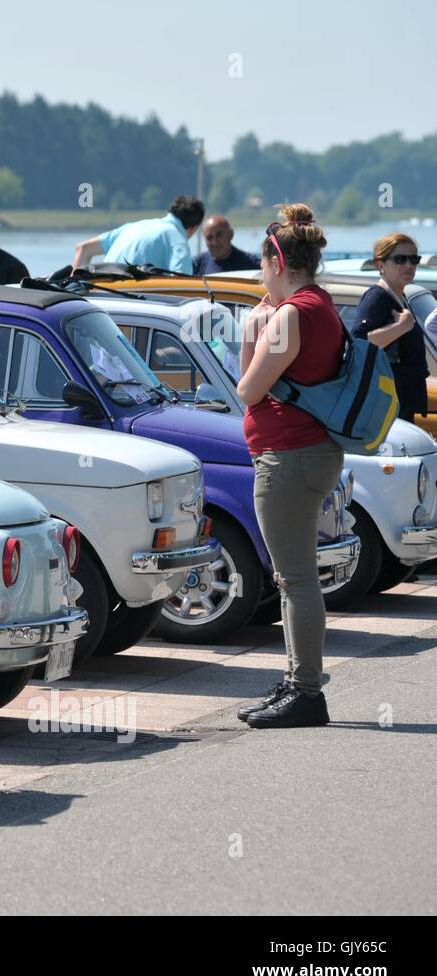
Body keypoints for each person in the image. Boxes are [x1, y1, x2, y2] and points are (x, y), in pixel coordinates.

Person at [234, 204, 342, 729]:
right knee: (295, 577)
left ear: (277, 261)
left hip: (288, 458)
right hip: (308, 453)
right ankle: (299, 680)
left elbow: (248, 390)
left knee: (295, 579)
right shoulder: (320, 304)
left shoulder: (289, 315)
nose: (260, 277)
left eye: (262, 266)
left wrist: (253, 328)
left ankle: (306, 692)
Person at [351, 233, 430, 425]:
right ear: (380, 265)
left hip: (400, 399)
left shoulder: (399, 297)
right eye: (400, 259)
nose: (409, 265)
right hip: (387, 403)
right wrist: (400, 327)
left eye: (414, 259)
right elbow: (359, 342)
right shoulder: (377, 298)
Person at [71, 195, 204, 274]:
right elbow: (181, 284)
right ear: (193, 228)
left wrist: (73, 292)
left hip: (101, 303)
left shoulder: (132, 227)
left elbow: (83, 248)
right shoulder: (177, 239)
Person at [193, 215, 261, 274]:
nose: (215, 242)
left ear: (231, 234)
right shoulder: (196, 265)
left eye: (219, 235)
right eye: (209, 238)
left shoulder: (252, 264)